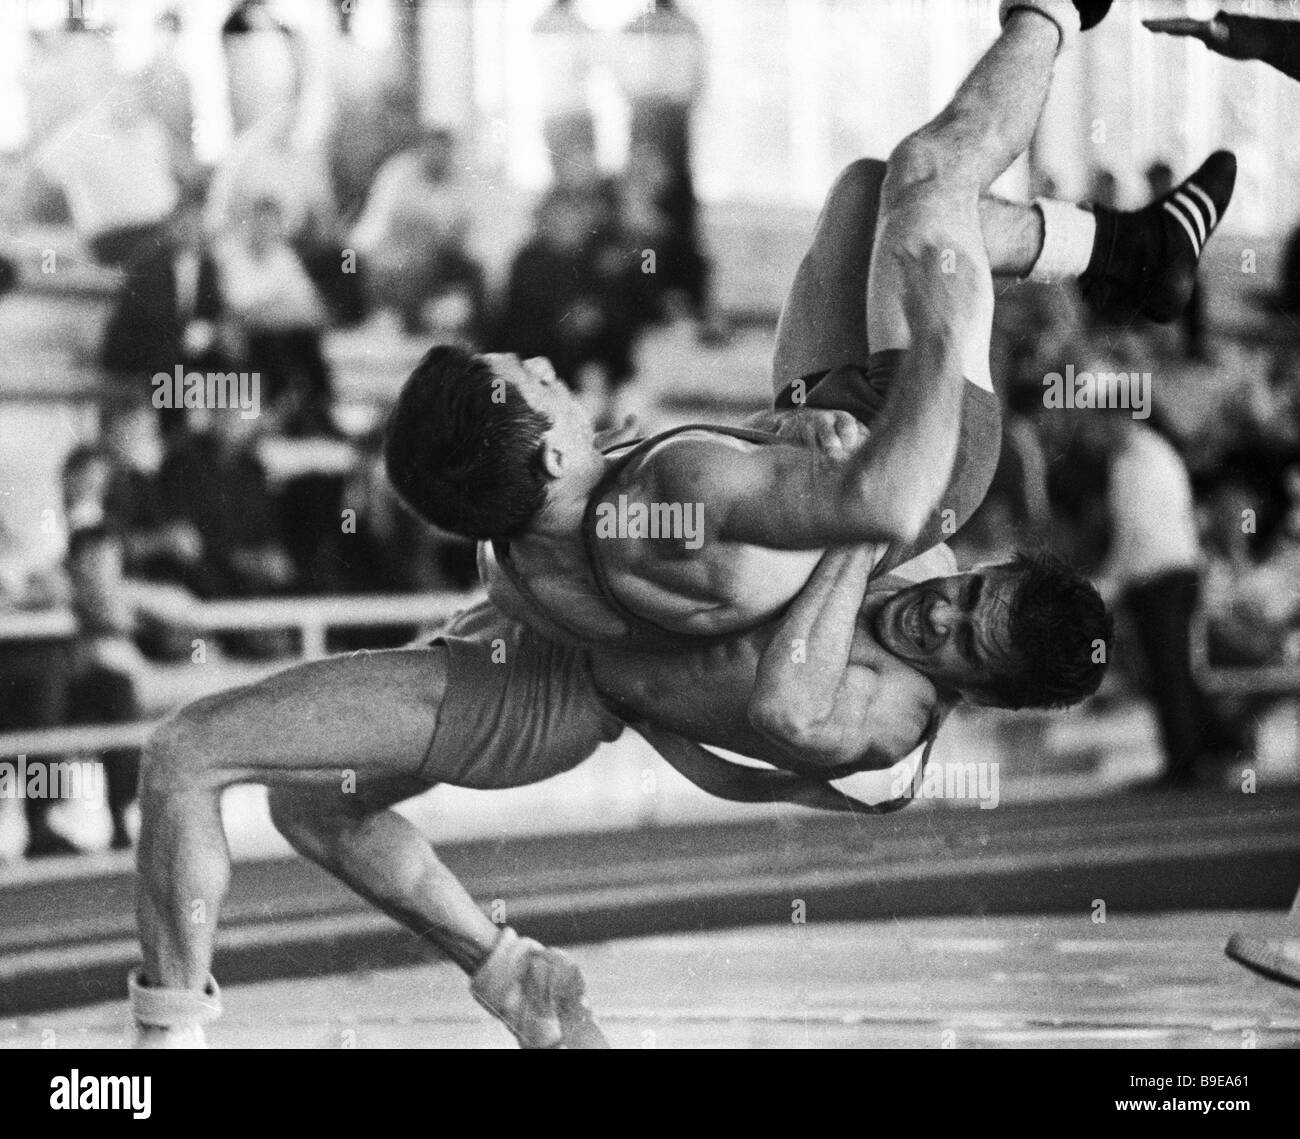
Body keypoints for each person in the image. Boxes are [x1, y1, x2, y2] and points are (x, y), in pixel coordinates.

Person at [129, 0, 1123, 1051]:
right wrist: (824, 436)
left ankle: (165, 1053)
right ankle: (508, 972)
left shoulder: (876, 710)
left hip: (563, 679)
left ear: (975, 690)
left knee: (930, 198)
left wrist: (932, 347)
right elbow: (866, 516)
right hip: (559, 625)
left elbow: (809, 652)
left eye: (962, 637)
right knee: (877, 193)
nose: (940, 614)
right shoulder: (732, 519)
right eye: (968, 594)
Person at [385, 12, 1233, 660]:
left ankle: (1130, 253)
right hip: (917, 448)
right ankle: (1050, 14)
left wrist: (783, 435)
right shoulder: (672, 489)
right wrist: (939, 338)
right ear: (551, 460)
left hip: (820, 421)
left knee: (864, 196)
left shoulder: (519, 556)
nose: (540, 362)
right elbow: (886, 503)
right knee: (928, 176)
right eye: (530, 381)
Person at [349, 128, 487, 337]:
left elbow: (459, 232)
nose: (437, 158)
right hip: (387, 246)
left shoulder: (463, 181)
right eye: (431, 150)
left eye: (443, 152)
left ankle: (416, 322)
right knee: (345, 261)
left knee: (468, 270)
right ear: (421, 150)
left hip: (437, 257)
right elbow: (378, 221)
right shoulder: (398, 172)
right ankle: (353, 315)